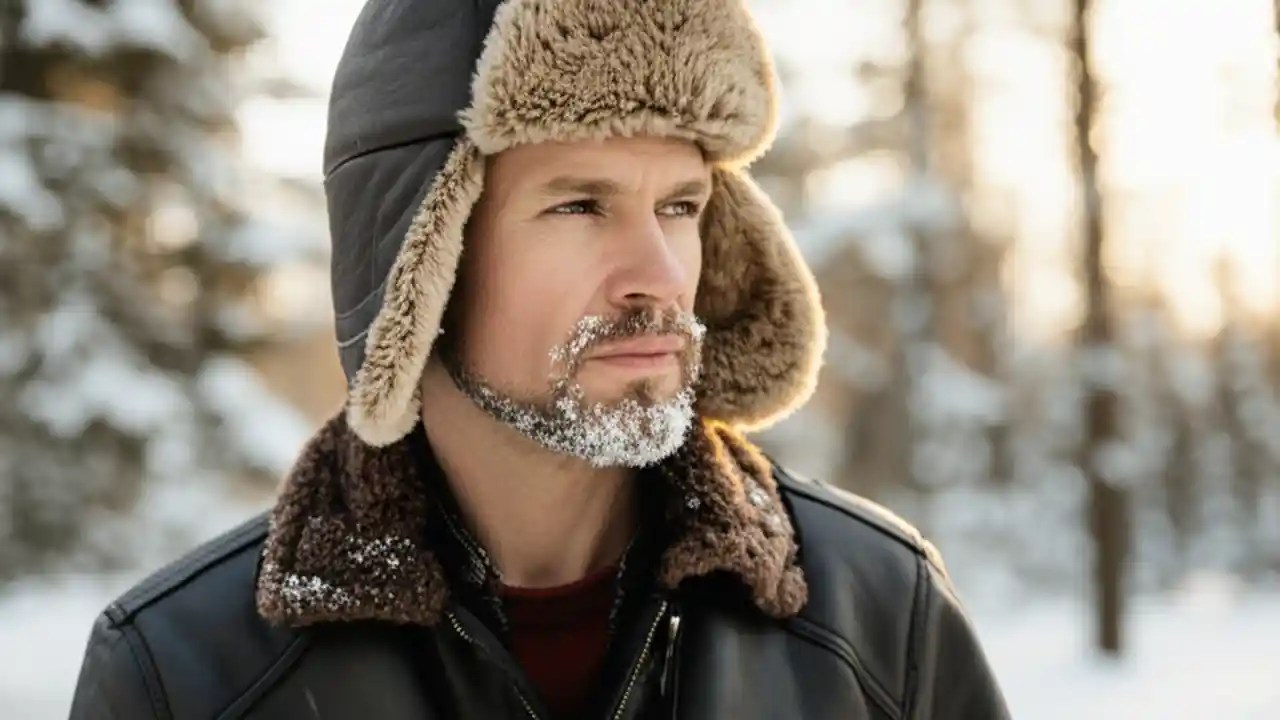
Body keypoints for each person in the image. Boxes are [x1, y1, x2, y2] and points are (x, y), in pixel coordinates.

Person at [69, 0, 1011, 718]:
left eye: (680, 206)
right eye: (579, 206)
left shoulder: (880, 623)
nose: (658, 277)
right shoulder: (187, 676)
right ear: (419, 257)